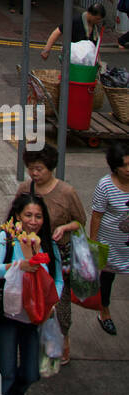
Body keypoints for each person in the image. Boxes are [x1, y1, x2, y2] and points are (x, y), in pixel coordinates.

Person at [0, 192, 62, 395]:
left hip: (35, 317)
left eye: (38, 216)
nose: (33, 220)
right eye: (28, 215)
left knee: (31, 372)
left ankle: (16, 391)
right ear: (17, 216)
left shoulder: (48, 243)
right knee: (4, 367)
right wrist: (19, 265)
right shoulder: (6, 238)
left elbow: (59, 279)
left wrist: (53, 301)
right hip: (8, 315)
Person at [17, 144, 86, 363]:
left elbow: (80, 221)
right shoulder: (25, 189)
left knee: (60, 299)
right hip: (30, 254)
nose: (34, 174)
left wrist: (64, 228)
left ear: (51, 168)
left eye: (39, 169)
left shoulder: (67, 193)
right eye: (31, 168)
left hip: (59, 255)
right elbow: (12, 218)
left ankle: (62, 338)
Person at [89, 140, 129, 336]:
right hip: (110, 243)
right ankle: (104, 311)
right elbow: (96, 215)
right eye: (124, 165)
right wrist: (94, 245)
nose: (128, 169)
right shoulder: (105, 185)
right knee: (107, 278)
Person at [41, 2, 106, 60]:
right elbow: (57, 32)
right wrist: (47, 50)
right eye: (97, 19)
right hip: (72, 58)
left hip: (86, 61)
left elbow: (95, 47)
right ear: (90, 13)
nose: (98, 21)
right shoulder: (76, 20)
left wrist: (98, 61)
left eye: (100, 20)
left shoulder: (95, 27)